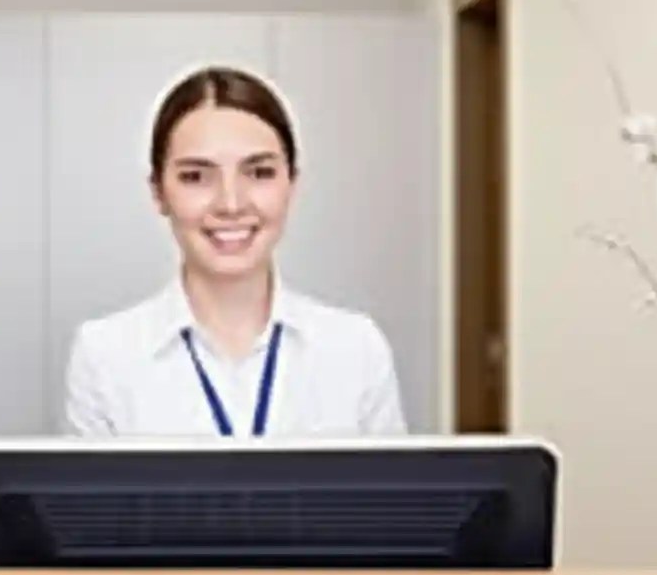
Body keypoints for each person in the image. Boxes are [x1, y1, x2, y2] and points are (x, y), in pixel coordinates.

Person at [64, 66, 407, 438]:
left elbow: (391, 496)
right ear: (158, 193)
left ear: (291, 184)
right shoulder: (104, 356)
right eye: (196, 176)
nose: (230, 204)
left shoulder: (355, 349)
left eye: (259, 173)